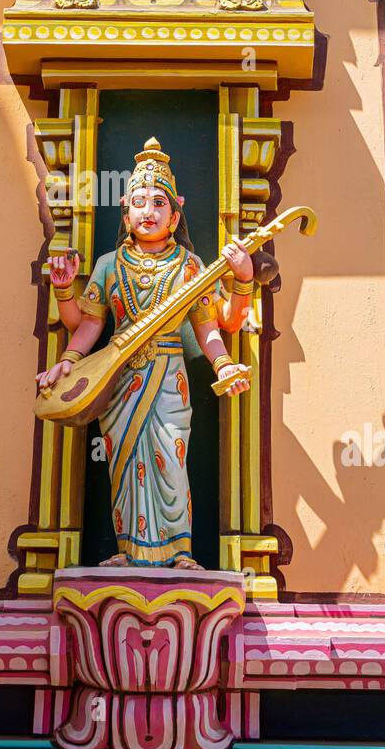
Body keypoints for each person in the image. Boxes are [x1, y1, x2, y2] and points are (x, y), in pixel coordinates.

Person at [36, 138, 255, 569]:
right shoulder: (108, 265)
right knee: (124, 465)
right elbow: (88, 324)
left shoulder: (191, 266)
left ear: (175, 216)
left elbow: (214, 326)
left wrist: (242, 286)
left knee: (170, 460)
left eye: (159, 202)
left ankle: (181, 553)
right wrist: (67, 351)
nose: (149, 211)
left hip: (168, 379)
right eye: (139, 201)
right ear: (125, 211)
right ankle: (128, 550)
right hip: (118, 380)